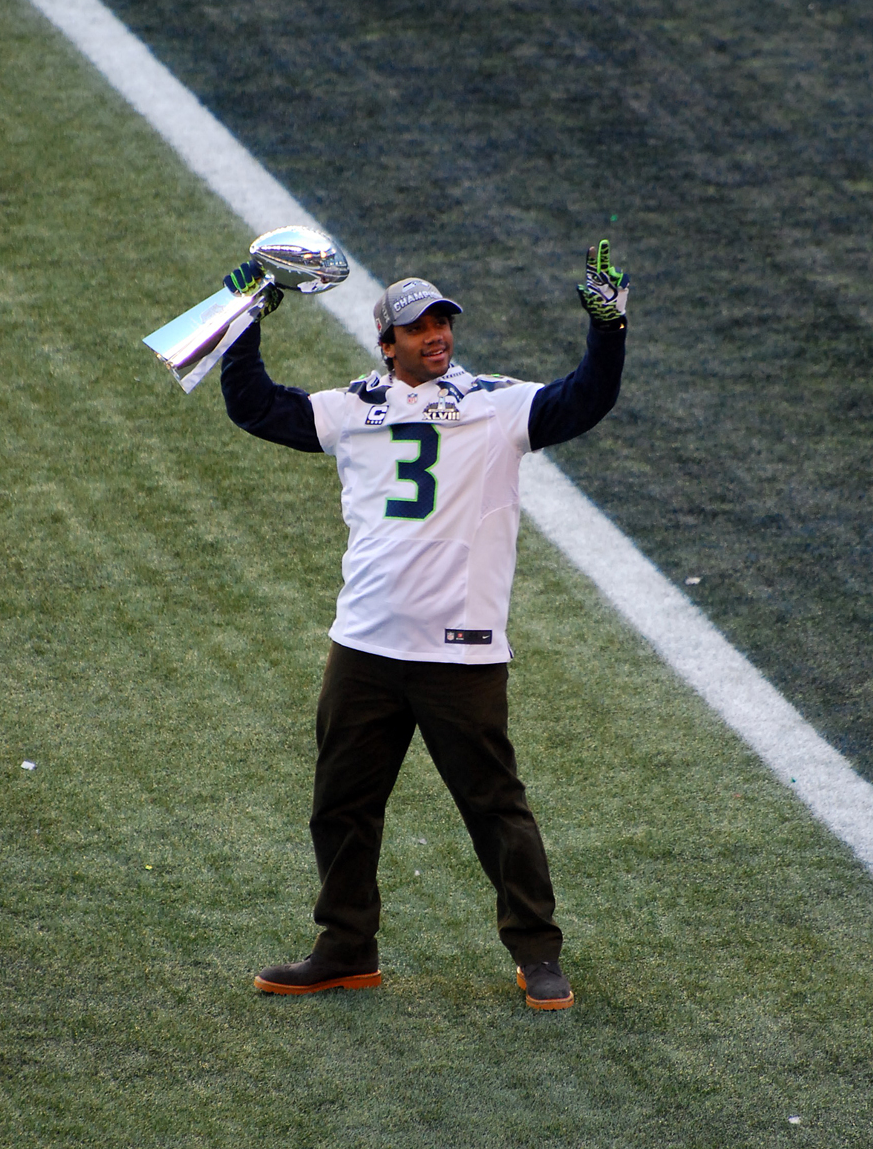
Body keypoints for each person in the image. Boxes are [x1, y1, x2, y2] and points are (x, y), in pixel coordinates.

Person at [219, 241, 629, 1010]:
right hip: (364, 646)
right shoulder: (352, 409)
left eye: (442, 322)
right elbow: (253, 405)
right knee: (340, 805)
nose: (436, 335)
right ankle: (346, 948)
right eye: (418, 327)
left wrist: (607, 329)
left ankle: (537, 952)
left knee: (495, 808)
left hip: (460, 652)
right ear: (387, 342)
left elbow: (584, 400)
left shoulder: (498, 405)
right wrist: (243, 320)